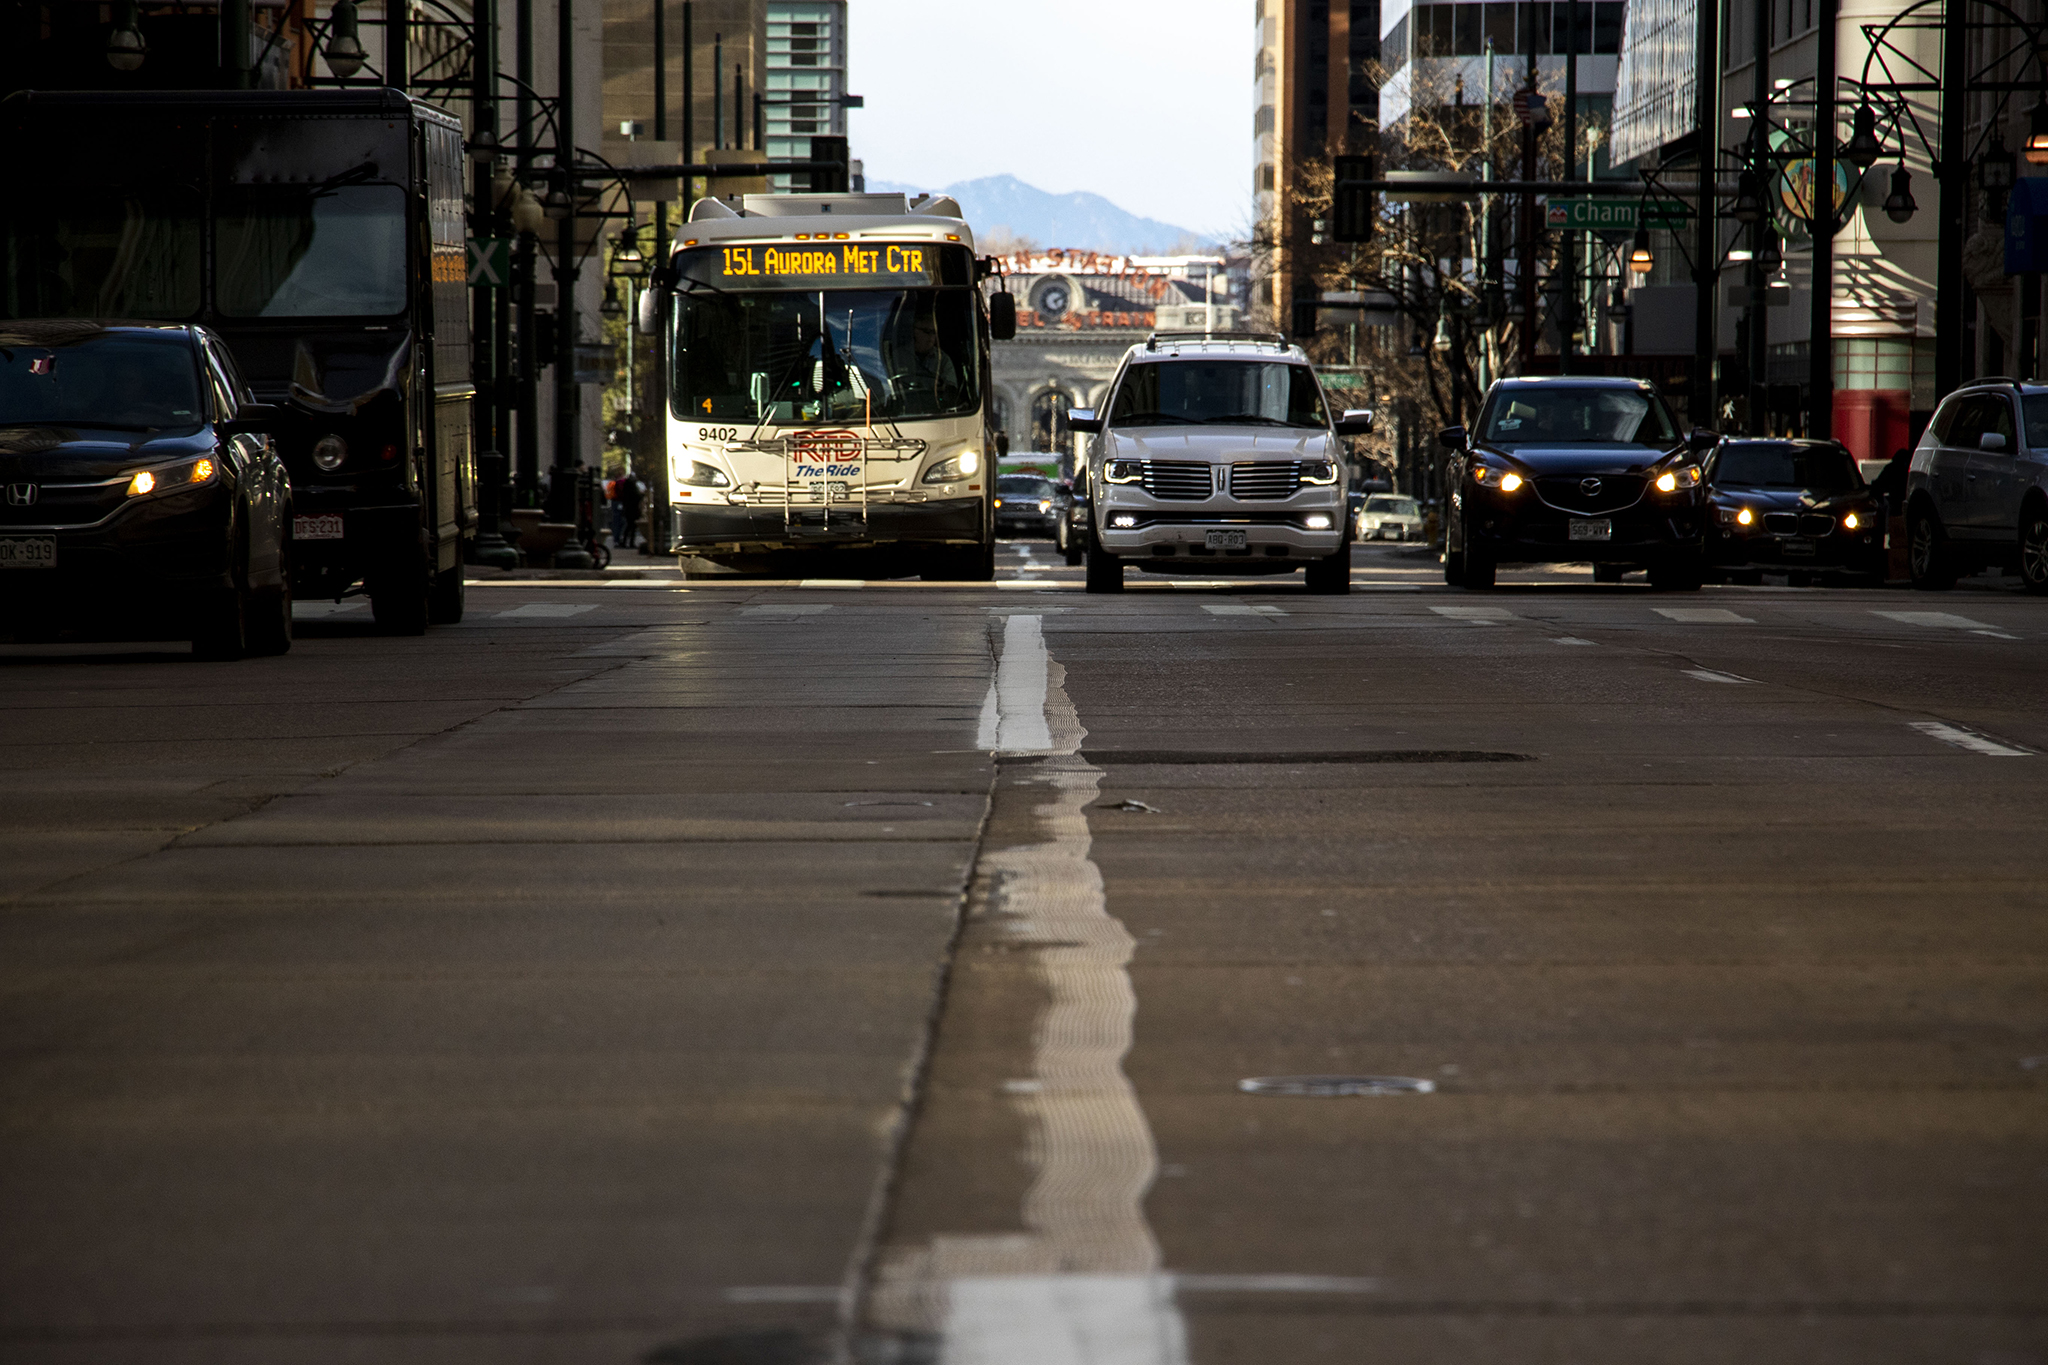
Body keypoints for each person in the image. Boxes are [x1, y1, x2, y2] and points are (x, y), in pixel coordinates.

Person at [617, 472, 644, 551]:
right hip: (633, 509)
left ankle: (625, 541)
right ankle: (630, 542)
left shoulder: (626, 488)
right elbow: (637, 497)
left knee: (628, 526)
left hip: (628, 509)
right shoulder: (633, 488)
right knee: (632, 526)